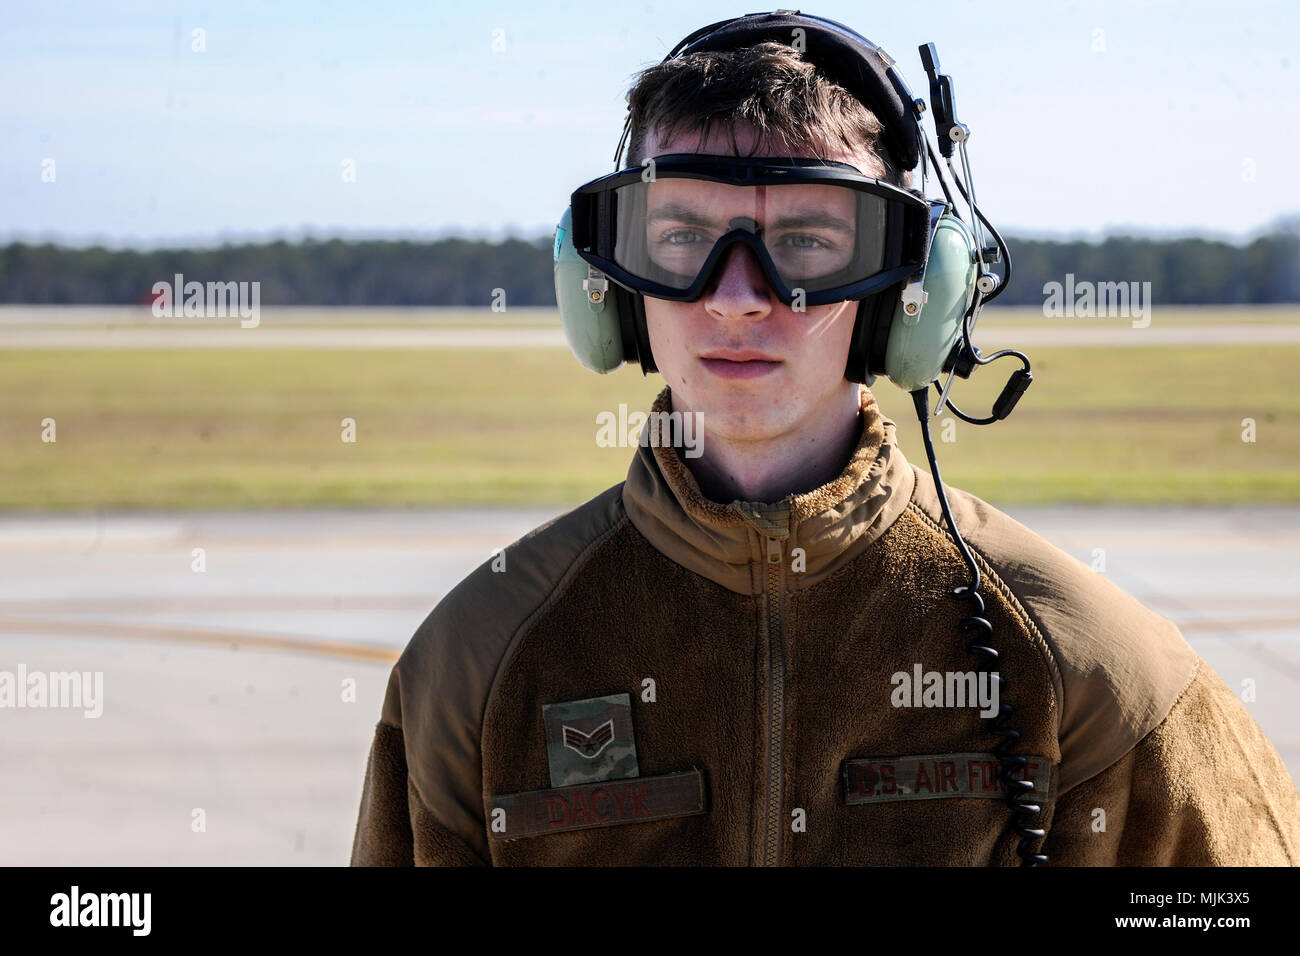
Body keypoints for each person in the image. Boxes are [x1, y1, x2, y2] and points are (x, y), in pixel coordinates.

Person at [349, 12, 1300, 866]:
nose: (737, 296)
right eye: (680, 235)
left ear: (903, 293)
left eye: (806, 241)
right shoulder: (472, 670)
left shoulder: (1095, 671)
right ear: (611, 284)